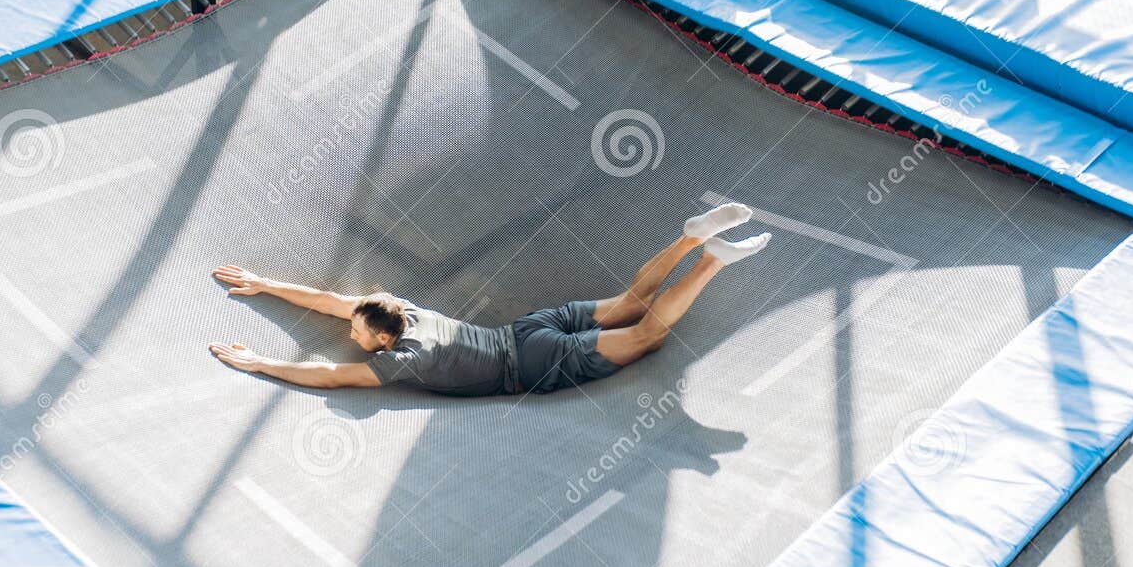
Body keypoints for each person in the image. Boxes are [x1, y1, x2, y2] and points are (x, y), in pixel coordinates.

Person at [209, 201, 769, 396]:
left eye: (358, 334)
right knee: (631, 298)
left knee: (646, 332)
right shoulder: (404, 309)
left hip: (530, 360)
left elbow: (331, 376)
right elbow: (334, 300)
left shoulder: (405, 359)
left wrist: (262, 362)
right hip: (525, 330)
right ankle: (691, 237)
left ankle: (713, 259)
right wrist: (264, 283)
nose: (348, 334)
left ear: (382, 339)